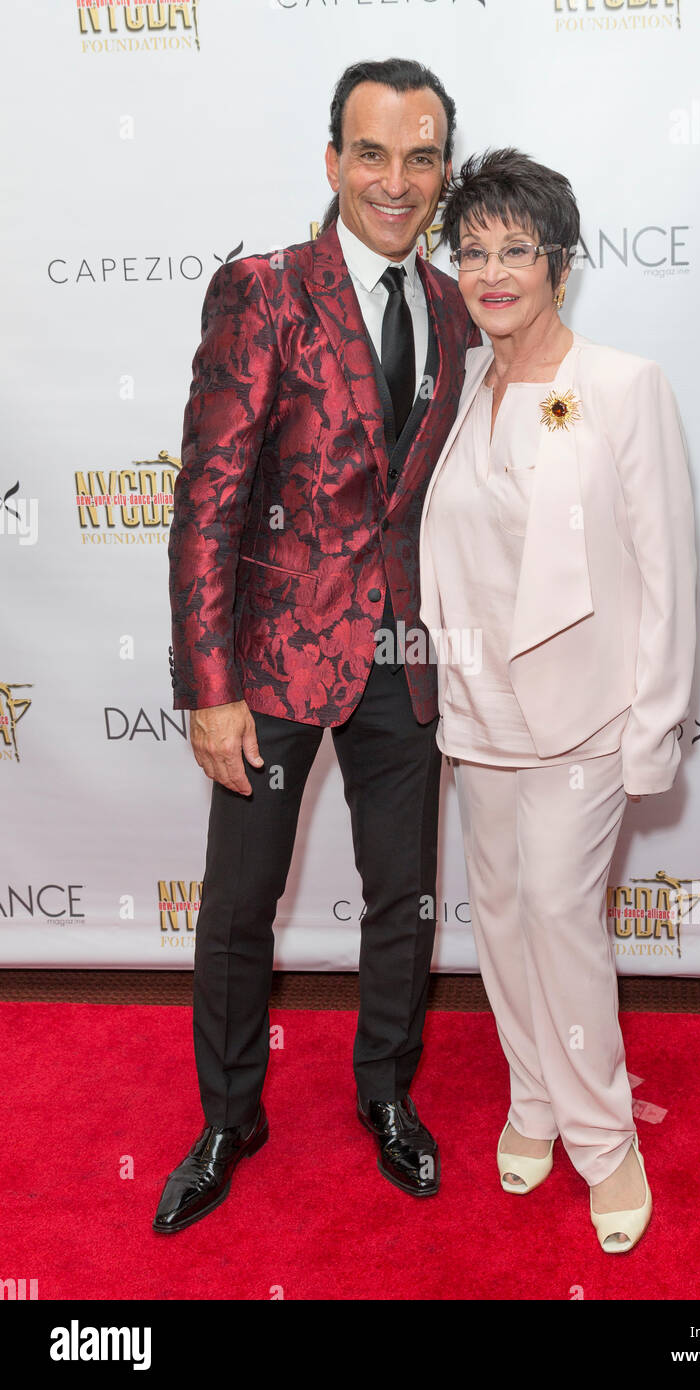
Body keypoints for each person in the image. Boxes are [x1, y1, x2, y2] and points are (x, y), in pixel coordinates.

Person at [154, 58, 480, 1234]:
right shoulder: (264, 290)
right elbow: (210, 501)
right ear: (332, 159)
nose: (396, 180)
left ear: (443, 168)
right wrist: (211, 685)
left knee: (405, 896)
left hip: (404, 654)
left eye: (421, 155)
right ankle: (230, 1114)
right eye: (373, 152)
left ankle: (386, 1092)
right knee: (241, 903)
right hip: (275, 659)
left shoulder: (453, 305)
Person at [419, 148, 696, 1252]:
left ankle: (605, 1134)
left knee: (560, 914)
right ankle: (532, 1094)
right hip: (477, 714)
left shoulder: (625, 385)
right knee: (497, 911)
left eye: (514, 251)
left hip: (584, 713)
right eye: (472, 249)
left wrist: (652, 730)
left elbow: (666, 568)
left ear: (560, 266)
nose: (492, 271)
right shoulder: (465, 384)